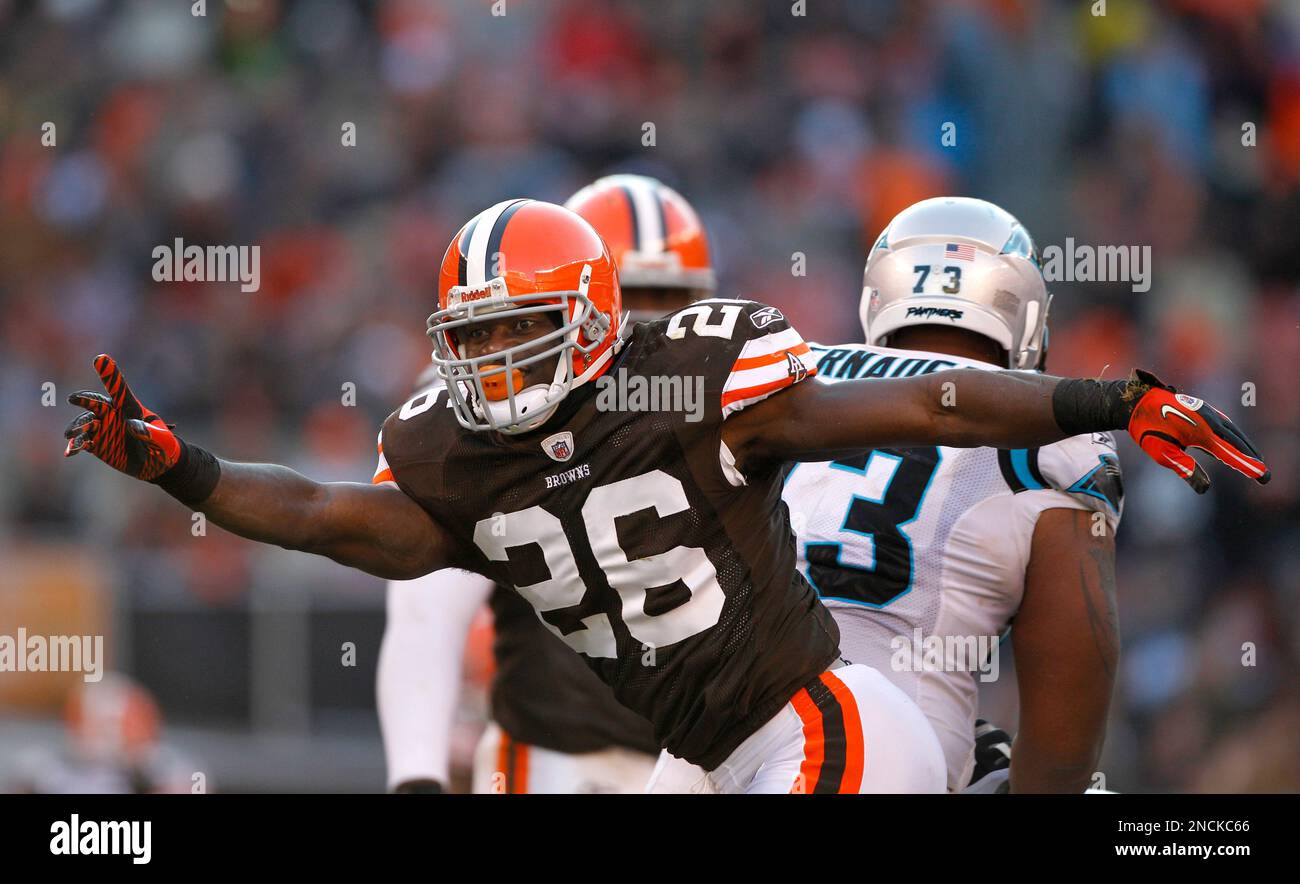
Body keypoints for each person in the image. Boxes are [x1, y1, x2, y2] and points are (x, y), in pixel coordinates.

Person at [63, 198, 1269, 793]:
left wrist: (1101, 400)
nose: (498, 366)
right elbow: (340, 519)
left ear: (597, 316)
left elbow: (925, 407)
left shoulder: (704, 377)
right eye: (475, 341)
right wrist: (186, 469)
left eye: (525, 330)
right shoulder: (457, 446)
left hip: (815, 725)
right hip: (704, 750)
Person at [378, 174, 712, 794]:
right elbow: (428, 609)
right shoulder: (487, 410)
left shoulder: (717, 391)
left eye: (671, 295)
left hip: (705, 757)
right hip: (559, 750)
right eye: (632, 293)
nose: (649, 318)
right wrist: (416, 773)